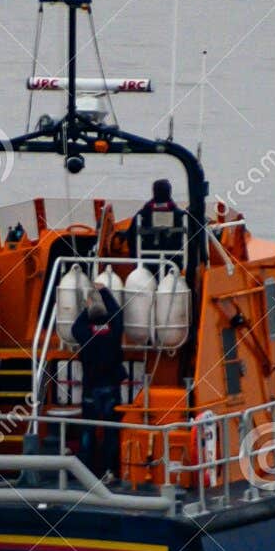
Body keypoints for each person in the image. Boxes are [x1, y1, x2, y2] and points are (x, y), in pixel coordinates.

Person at [71, 280, 126, 482]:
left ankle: (86, 472)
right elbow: (118, 314)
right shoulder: (113, 328)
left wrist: (88, 308)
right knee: (111, 431)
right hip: (111, 387)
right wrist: (105, 293)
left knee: (88, 430)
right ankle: (110, 470)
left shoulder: (85, 332)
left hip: (91, 388)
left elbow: (75, 327)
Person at [134, 178, 185, 259]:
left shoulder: (143, 214)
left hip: (148, 258)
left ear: (154, 192)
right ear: (169, 192)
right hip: (174, 258)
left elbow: (132, 235)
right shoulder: (180, 215)